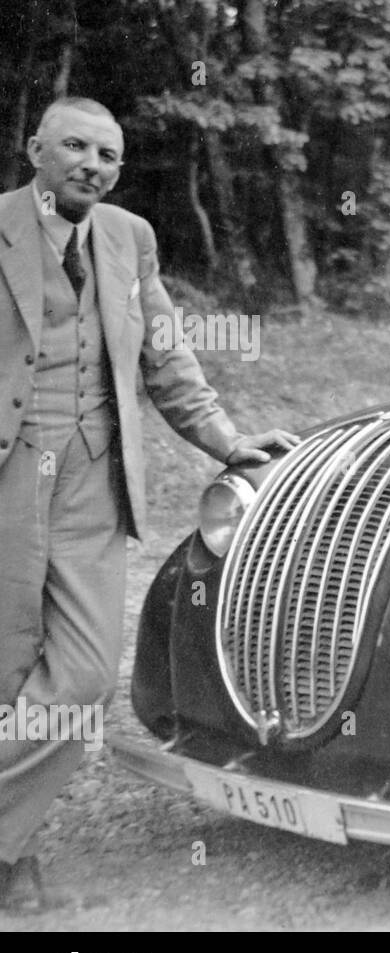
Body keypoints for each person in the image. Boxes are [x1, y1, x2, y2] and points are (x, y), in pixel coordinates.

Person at [0, 97, 299, 911]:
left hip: (95, 484)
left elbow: (167, 358)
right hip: (8, 482)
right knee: (7, 674)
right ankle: (13, 858)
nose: (91, 163)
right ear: (35, 148)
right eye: (74, 146)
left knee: (87, 673)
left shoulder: (129, 239)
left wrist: (226, 440)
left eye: (108, 153)